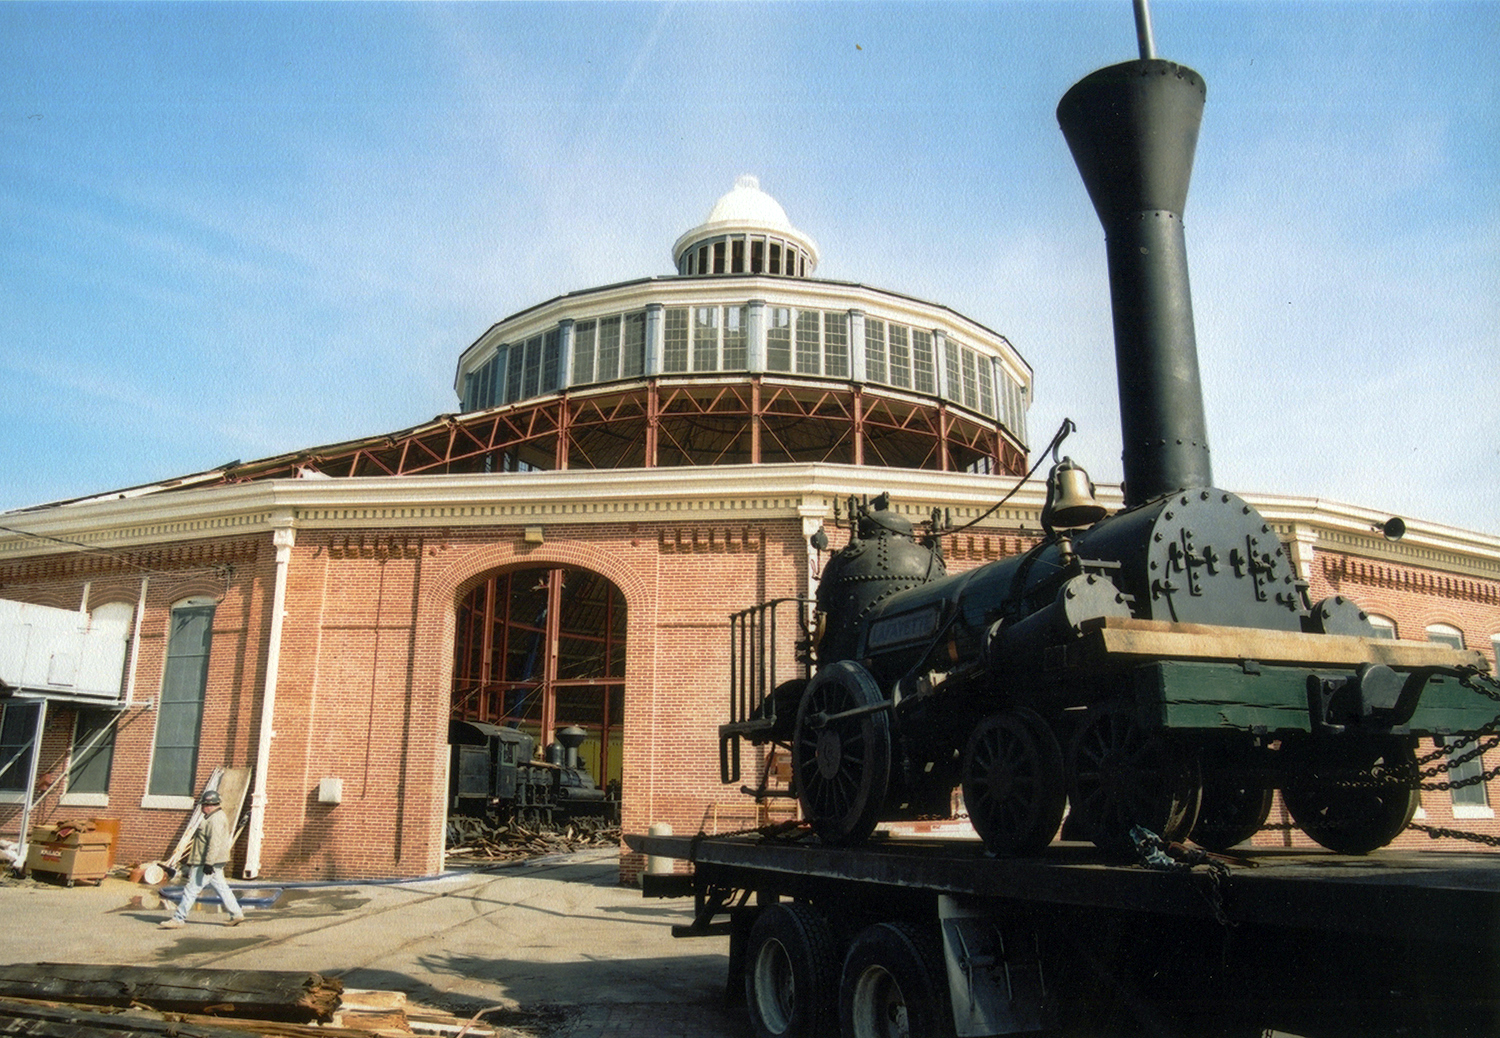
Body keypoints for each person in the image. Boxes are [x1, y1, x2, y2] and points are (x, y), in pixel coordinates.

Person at [159, 790, 245, 928]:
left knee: (191, 889)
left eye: (203, 805)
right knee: (222, 888)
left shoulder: (215, 819)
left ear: (209, 805)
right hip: (213, 861)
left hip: (206, 861)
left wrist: (208, 863)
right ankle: (237, 914)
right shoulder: (214, 817)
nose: (202, 808)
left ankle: (178, 919)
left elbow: (214, 843)